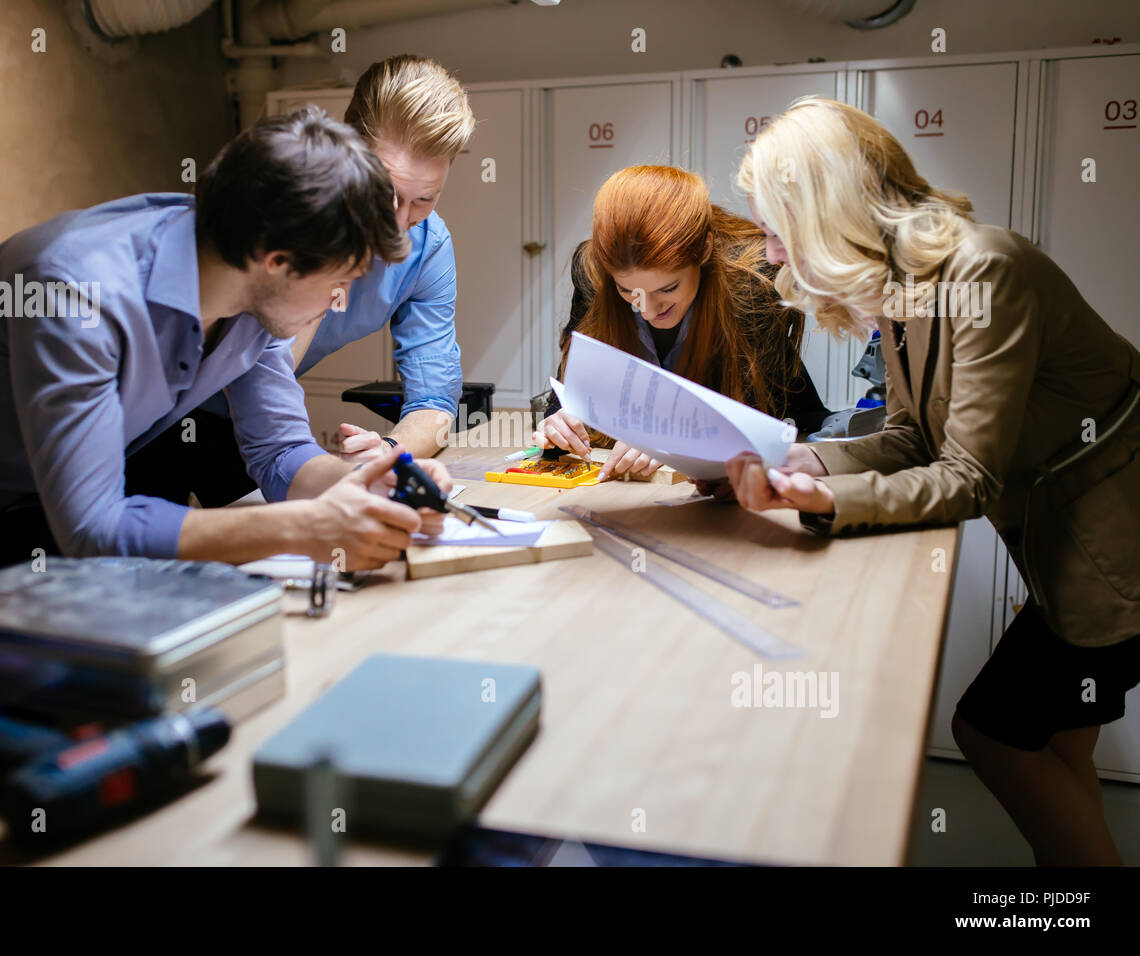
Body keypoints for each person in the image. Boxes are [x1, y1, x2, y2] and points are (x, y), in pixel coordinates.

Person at [726, 96, 1140, 865]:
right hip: (1073, 551)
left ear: (828, 214)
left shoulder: (985, 269)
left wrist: (828, 503)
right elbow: (915, 435)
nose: (774, 255)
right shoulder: (910, 282)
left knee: (992, 736)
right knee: (1056, 746)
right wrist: (810, 461)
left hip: (1120, 556)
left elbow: (968, 476)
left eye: (779, 231)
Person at [0, 107, 451, 585]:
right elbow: (95, 527)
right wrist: (303, 527)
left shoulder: (255, 296)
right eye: (339, 280)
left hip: (19, 500)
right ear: (276, 261)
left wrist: (364, 486)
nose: (341, 298)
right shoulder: (73, 290)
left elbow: (281, 450)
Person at [533, 164, 829, 481]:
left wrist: (667, 440)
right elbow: (575, 378)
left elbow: (753, 423)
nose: (647, 310)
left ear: (703, 252)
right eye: (627, 291)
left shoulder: (753, 279)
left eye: (668, 289)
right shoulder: (593, 273)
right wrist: (558, 420)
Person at [296, 53, 475, 461]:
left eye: (423, 200)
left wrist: (390, 451)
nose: (397, 225)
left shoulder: (428, 247)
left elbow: (435, 399)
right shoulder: (291, 212)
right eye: (383, 193)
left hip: (241, 412)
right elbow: (255, 361)